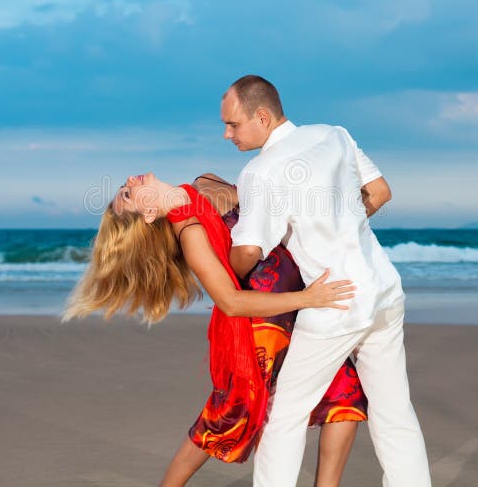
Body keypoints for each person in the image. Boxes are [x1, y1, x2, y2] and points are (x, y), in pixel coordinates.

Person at [62, 171, 369, 486]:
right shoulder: (191, 233)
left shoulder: (205, 181)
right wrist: (307, 298)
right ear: (150, 213)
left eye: (123, 188)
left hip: (300, 304)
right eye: (127, 194)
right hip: (266, 323)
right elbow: (231, 302)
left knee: (344, 396)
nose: (128, 181)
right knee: (228, 415)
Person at [221, 75, 432, 486]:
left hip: (335, 302)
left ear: (262, 117)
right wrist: (339, 227)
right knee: (394, 410)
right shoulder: (334, 134)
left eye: (233, 124)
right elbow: (380, 191)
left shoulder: (261, 171)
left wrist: (223, 269)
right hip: (384, 287)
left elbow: (247, 253)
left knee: (285, 415)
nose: (226, 134)